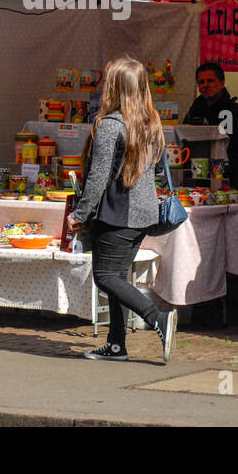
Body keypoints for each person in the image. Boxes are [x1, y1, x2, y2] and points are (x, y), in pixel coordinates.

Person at [67, 55, 178, 363]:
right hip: (143, 213)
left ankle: (158, 318)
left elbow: (99, 176)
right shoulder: (151, 123)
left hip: (117, 212)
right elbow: (153, 172)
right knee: (118, 276)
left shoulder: (110, 125)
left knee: (105, 276)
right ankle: (116, 344)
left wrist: (80, 213)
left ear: (114, 86)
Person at [182, 62, 238, 187]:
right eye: (201, 82)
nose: (205, 85)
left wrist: (226, 174)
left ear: (222, 83)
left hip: (226, 184)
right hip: (193, 185)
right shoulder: (193, 113)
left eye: (210, 81)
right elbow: (184, 145)